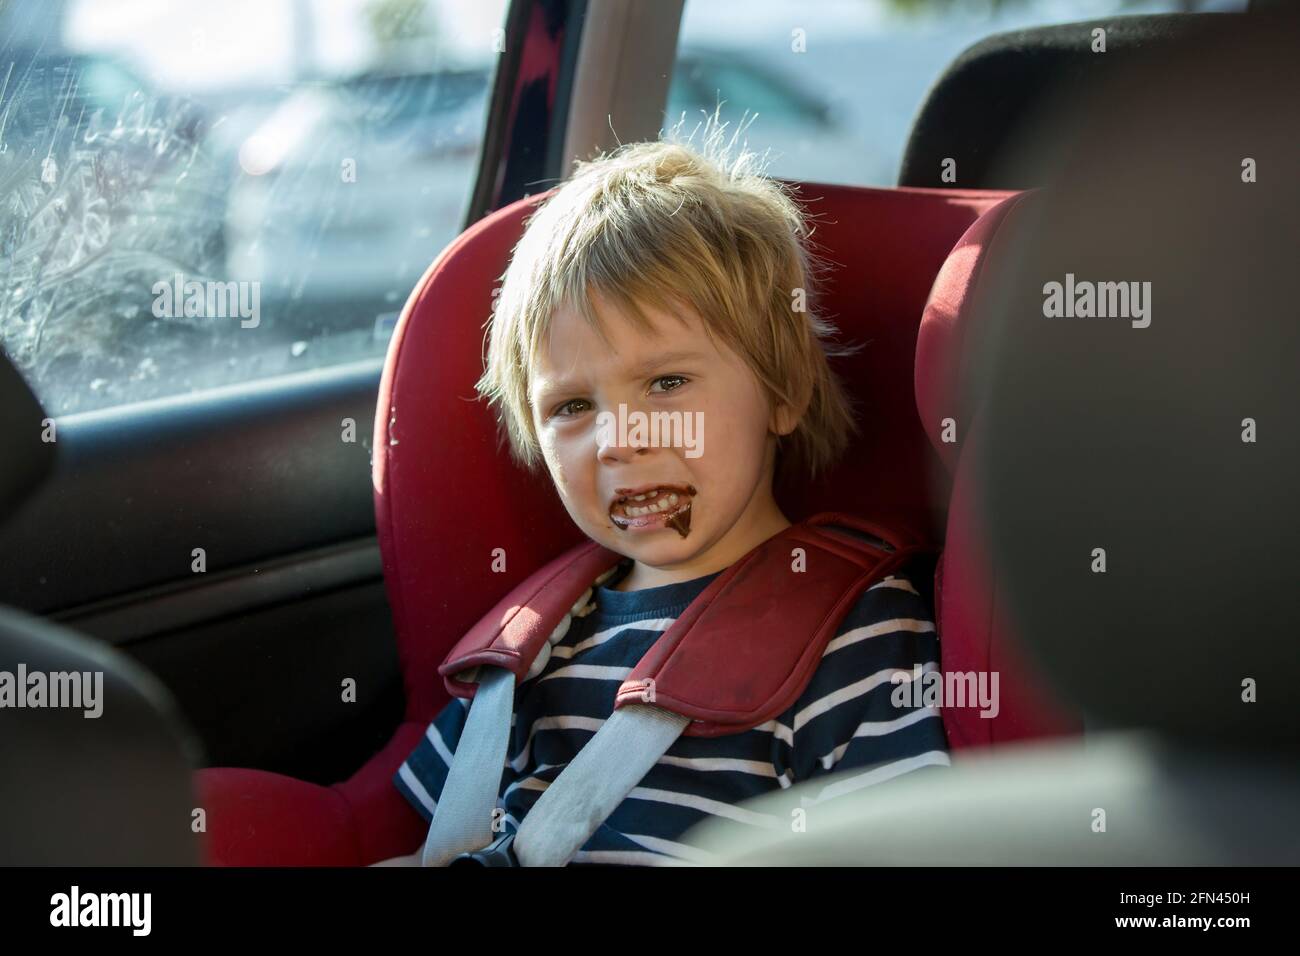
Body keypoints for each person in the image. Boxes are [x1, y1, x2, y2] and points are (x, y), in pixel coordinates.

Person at [372, 121, 947, 866]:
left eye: (667, 383)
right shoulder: (535, 644)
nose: (620, 438)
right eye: (572, 408)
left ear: (783, 392)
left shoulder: (860, 640)